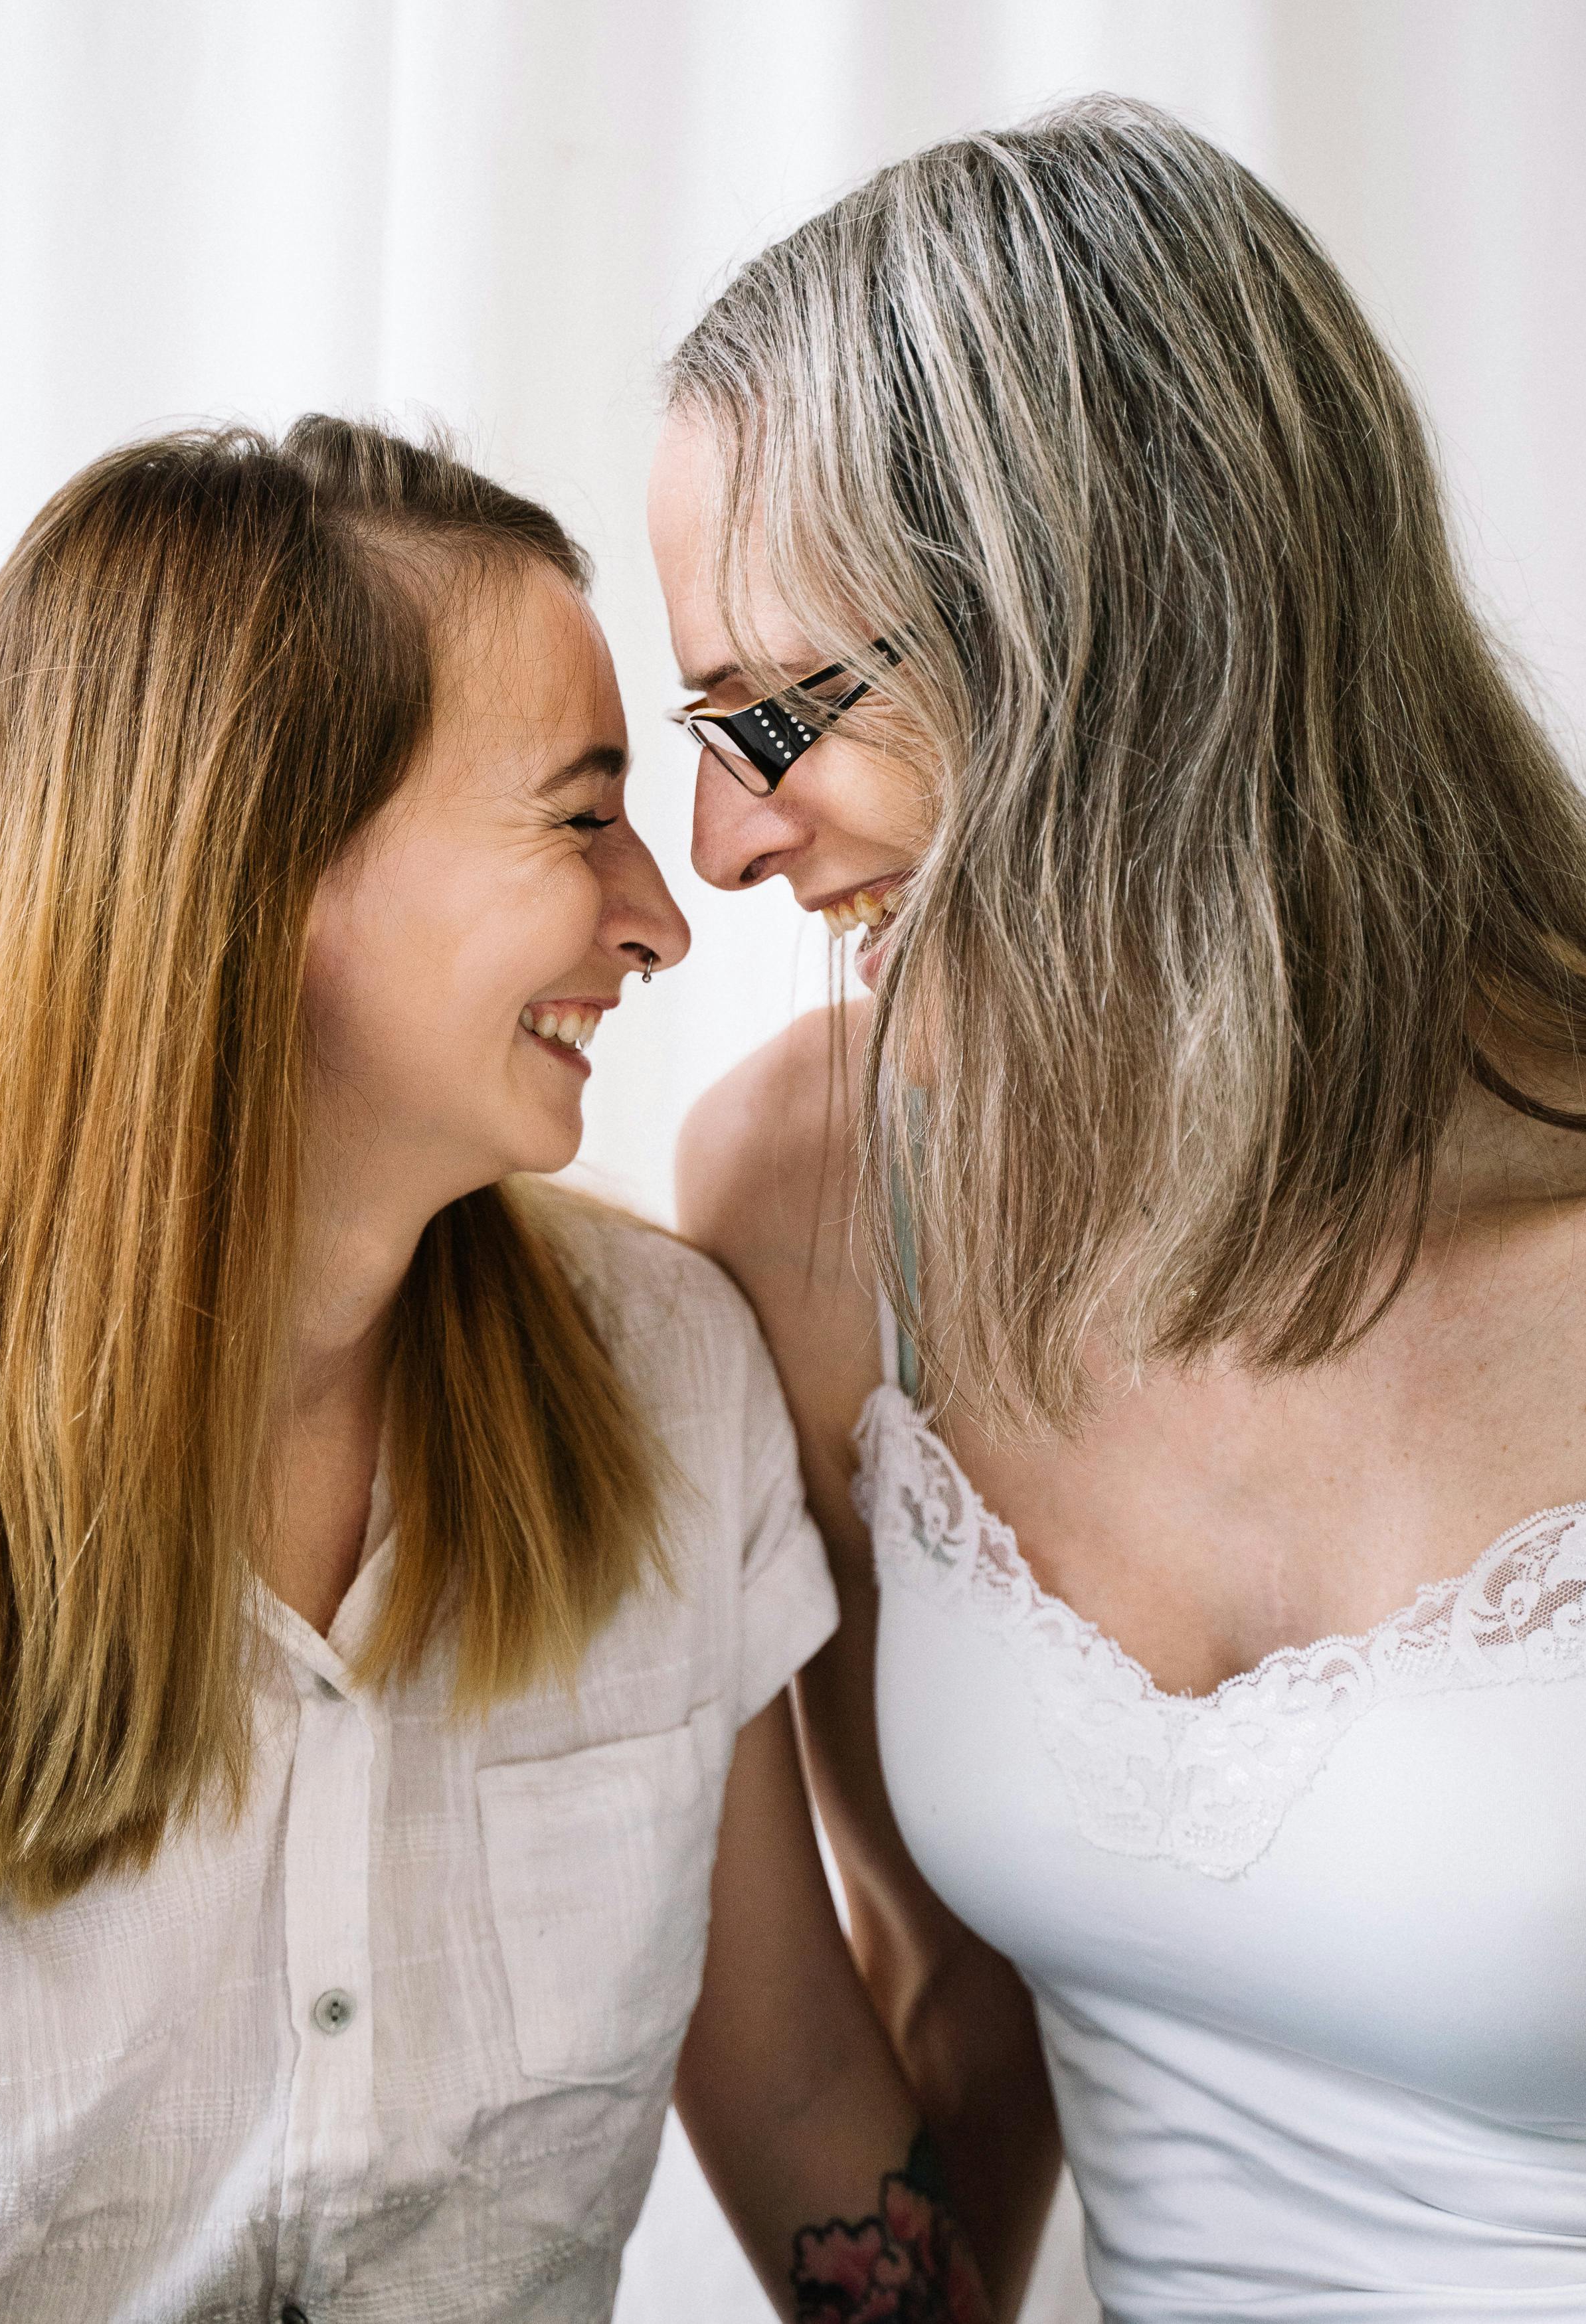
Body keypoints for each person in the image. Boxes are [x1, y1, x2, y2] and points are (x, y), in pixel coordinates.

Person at [0, 418, 993, 2324]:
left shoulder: (671, 1376)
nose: (662, 915)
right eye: (577, 817)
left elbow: (805, 2120)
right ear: (257, 862)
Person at [652, 96, 1586, 2324]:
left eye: (777, 715)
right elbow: (965, 2009)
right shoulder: (813, 1199)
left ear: (1115, 636)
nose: (720, 842)